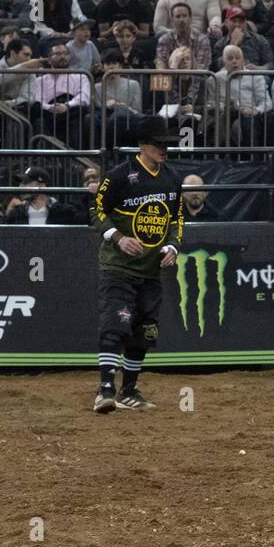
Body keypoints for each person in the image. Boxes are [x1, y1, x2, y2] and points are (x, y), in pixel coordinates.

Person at [91, 119, 183, 413]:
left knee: (146, 330)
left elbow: (175, 220)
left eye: (167, 144)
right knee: (115, 325)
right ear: (143, 145)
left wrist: (172, 246)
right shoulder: (119, 176)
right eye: (158, 144)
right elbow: (96, 209)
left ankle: (128, 389)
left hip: (151, 269)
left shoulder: (172, 179)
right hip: (119, 266)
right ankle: (105, 388)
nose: (164, 149)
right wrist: (117, 237)